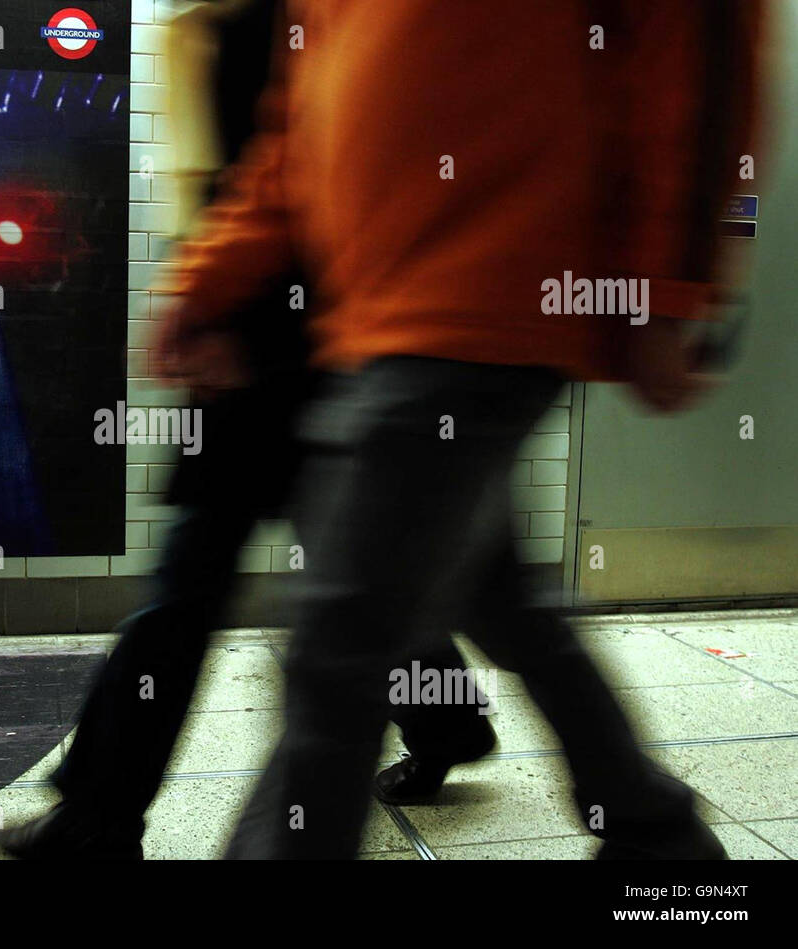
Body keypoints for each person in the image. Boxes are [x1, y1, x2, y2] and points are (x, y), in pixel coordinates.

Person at [155, 0, 762, 858]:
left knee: (336, 648)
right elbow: (295, 136)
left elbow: (699, 42)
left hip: (492, 298)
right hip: (379, 321)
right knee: (503, 606)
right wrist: (208, 279)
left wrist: (673, 288)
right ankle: (658, 839)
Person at [0, 0, 497, 860]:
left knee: (204, 587)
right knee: (288, 573)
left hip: (305, 341)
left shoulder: (305, 20)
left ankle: (99, 815)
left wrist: (213, 298)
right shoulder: (213, 25)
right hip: (256, 337)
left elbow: (301, 174)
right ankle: (445, 718)